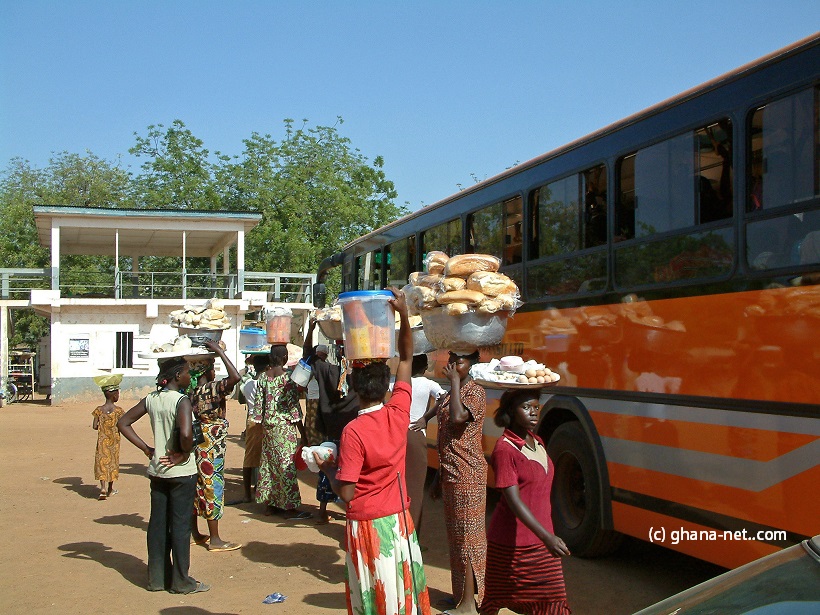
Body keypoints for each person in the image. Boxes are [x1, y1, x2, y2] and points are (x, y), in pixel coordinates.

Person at [316, 288, 432, 615]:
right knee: (400, 594)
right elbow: (407, 358)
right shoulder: (398, 413)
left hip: (368, 527)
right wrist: (405, 315)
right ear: (386, 386)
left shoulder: (354, 431)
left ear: (353, 387)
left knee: (375, 597)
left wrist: (327, 468)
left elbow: (349, 492)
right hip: (399, 520)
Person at [117, 356, 209, 594]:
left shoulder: (151, 399)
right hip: (181, 473)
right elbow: (187, 435)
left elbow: (124, 422)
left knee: (158, 526)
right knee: (179, 527)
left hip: (158, 472)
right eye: (188, 372)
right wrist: (183, 454)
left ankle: (157, 579)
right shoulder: (182, 401)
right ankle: (181, 582)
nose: (191, 376)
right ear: (178, 376)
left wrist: (148, 449)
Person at [481, 389, 571, 615]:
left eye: (536, 407)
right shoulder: (504, 449)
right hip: (513, 546)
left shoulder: (537, 441)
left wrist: (546, 536)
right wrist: (547, 537)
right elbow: (513, 501)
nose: (533, 412)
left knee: (552, 603)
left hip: (540, 541)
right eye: (526, 407)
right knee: (496, 600)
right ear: (511, 411)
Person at [418, 350, 487, 615]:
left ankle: (469, 605)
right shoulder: (451, 393)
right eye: (452, 360)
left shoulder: (475, 392)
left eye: (460, 362)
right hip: (452, 473)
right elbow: (444, 427)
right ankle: (461, 596)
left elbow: (458, 418)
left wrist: (456, 382)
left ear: (472, 364)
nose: (453, 366)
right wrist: (437, 478)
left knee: (468, 540)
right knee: (457, 540)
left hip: (468, 475)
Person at [187, 340, 242, 552]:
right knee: (213, 484)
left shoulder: (192, 391)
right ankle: (215, 539)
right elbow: (235, 377)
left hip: (200, 439)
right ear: (208, 372)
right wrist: (219, 352)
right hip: (213, 442)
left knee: (198, 483)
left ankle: (195, 533)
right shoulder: (212, 388)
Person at [303, 318, 360, 525]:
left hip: (331, 433)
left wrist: (311, 328)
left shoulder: (327, 372)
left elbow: (308, 356)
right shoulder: (360, 377)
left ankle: (322, 510)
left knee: (327, 470)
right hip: (353, 435)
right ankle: (351, 510)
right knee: (352, 473)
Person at [255, 344, 311, 519]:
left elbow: (258, 406)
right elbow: (294, 409)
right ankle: (290, 507)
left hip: (267, 429)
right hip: (284, 429)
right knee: (286, 467)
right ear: (285, 358)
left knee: (269, 465)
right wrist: (304, 434)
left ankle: (270, 504)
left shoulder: (263, 377)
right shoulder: (288, 380)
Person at [406, 353, 444, 535]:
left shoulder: (400, 382)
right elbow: (445, 398)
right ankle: (414, 537)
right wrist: (426, 417)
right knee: (416, 488)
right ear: (425, 368)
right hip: (416, 435)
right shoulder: (429, 384)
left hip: (397, 435)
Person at [229, 353, 269, 505]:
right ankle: (259, 490)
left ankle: (248, 493)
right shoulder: (266, 384)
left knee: (250, 457)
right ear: (267, 368)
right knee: (264, 457)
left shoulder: (248, 385)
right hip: (263, 420)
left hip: (251, 420)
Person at [91, 373, 125, 500]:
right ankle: (110, 489)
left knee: (102, 463)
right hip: (114, 442)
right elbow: (123, 425)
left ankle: (102, 488)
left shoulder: (99, 410)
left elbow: (95, 426)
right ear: (115, 395)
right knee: (112, 464)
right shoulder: (119, 411)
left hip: (101, 442)